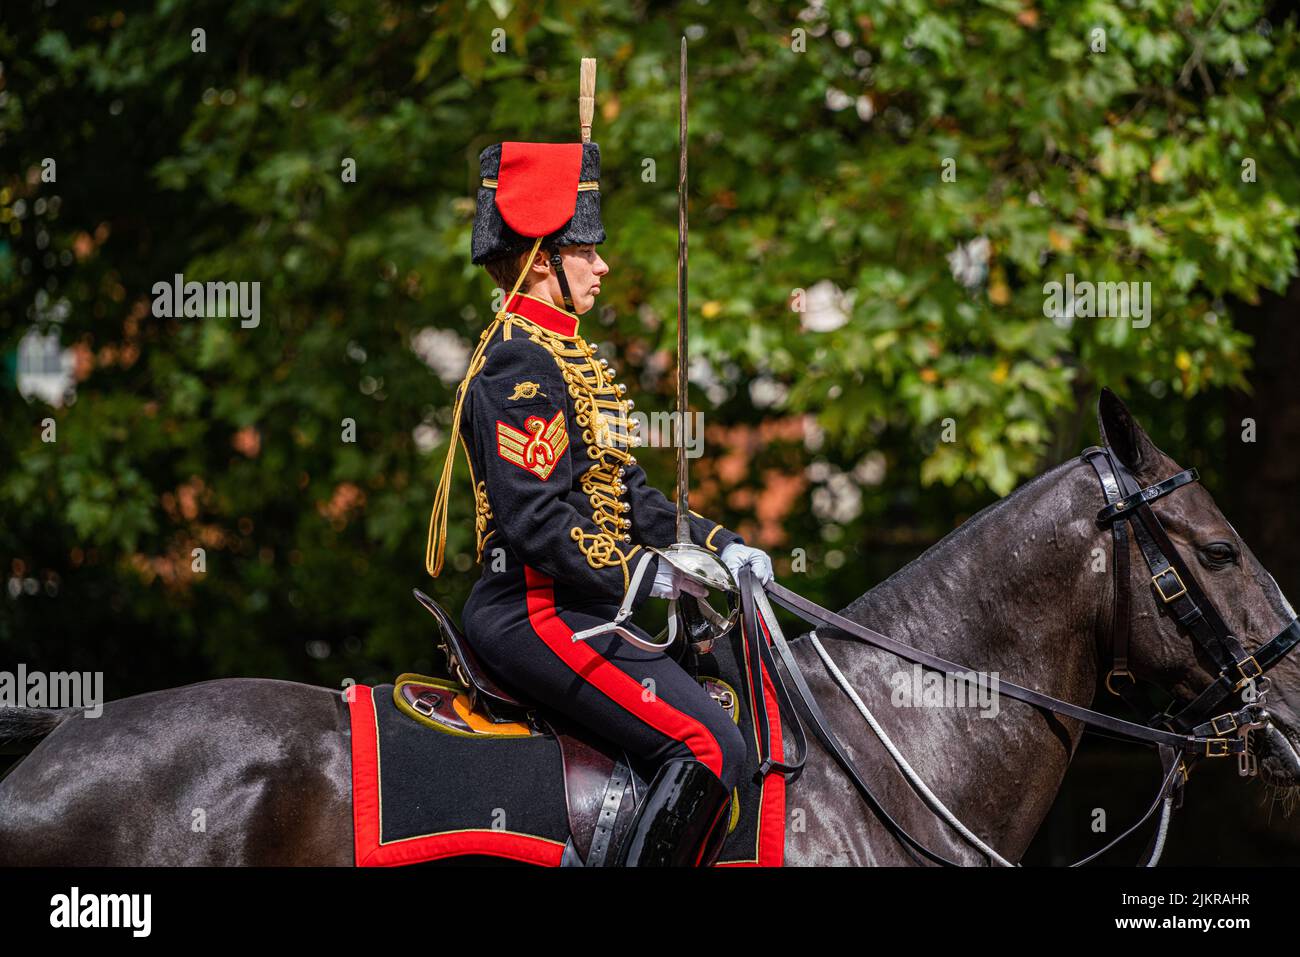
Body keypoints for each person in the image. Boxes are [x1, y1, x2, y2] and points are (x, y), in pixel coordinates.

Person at [425, 139, 774, 866]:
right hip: (534, 609)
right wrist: (640, 576)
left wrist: (721, 547)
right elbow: (536, 518)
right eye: (587, 249)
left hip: (584, 606)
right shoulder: (520, 364)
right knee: (709, 745)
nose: (603, 265)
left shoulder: (567, 356)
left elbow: (631, 496)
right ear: (543, 258)